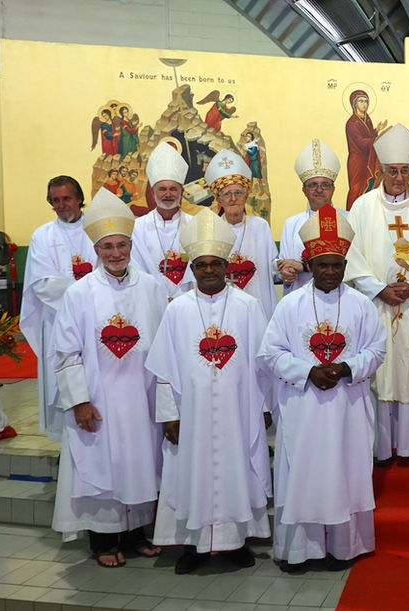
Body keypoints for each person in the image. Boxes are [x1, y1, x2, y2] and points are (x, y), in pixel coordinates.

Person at [259, 205, 387, 571]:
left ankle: (344, 548)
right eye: (322, 265)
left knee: (345, 472)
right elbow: (271, 351)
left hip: (347, 406)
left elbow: (377, 350)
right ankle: (301, 551)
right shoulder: (290, 305)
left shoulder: (362, 305)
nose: (330, 272)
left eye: (337, 265)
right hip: (303, 407)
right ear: (309, 266)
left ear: (346, 267)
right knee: (303, 475)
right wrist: (307, 372)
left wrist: (347, 367)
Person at [146, 208, 272, 574]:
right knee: (191, 473)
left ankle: (236, 542)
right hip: (193, 412)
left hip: (238, 409)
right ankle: (194, 546)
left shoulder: (248, 307)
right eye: (201, 265)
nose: (209, 271)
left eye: (215, 264)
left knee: (238, 468)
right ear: (192, 267)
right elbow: (164, 367)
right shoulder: (178, 310)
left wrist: (263, 407)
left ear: (226, 265)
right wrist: (170, 413)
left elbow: (264, 365)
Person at [50, 188, 167, 568]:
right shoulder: (79, 293)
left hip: (141, 397)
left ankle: (135, 536)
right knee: (102, 466)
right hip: (98, 399)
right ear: (95, 250)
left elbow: (163, 347)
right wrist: (79, 400)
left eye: (122, 245)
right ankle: (102, 540)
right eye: (107, 247)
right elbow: (66, 350)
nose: (115, 253)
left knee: (140, 462)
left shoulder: (152, 288)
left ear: (131, 245)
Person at [346, 124, 409, 467]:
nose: (399, 177)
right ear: (382, 169)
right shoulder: (361, 208)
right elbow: (353, 255)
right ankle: (380, 447)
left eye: (405, 170)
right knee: (381, 370)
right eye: (393, 170)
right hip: (377, 304)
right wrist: (379, 288)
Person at [20, 176, 96, 441]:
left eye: (67, 198)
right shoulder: (43, 235)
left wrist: (91, 295)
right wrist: (89, 292)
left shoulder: (97, 227)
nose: (62, 205)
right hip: (57, 321)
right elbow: (41, 284)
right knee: (63, 382)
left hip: (96, 320)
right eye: (56, 200)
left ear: (78, 199)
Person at [205, 149, 278, 319]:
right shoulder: (211, 230)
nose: (233, 198)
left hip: (258, 303)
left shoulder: (260, 226)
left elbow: (271, 265)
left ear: (246, 196)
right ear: (219, 199)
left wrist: (283, 267)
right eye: (227, 194)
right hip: (224, 308)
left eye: (238, 192)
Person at [278, 138, 345, 295]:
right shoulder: (292, 223)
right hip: (301, 298)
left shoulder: (348, 219)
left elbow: (353, 265)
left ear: (333, 189)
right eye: (313, 184)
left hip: (340, 297)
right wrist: (286, 272)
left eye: (325, 184)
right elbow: (283, 262)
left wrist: (304, 266)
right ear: (304, 190)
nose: (319, 189)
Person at [132, 142, 193, 299]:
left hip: (188, 299)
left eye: (173, 189)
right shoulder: (137, 228)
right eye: (162, 189)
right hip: (148, 299)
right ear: (153, 192)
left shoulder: (195, 225)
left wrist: (180, 297)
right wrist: (159, 295)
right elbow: (135, 267)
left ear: (182, 192)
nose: (168, 194)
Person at [345, 90, 385, 210]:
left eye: (366, 101)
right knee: (356, 188)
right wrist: (377, 139)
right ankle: (351, 213)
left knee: (369, 186)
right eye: (361, 101)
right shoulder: (351, 123)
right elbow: (361, 143)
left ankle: (366, 211)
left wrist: (376, 131)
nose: (364, 104)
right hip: (357, 161)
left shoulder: (367, 119)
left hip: (368, 158)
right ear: (354, 103)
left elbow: (368, 136)